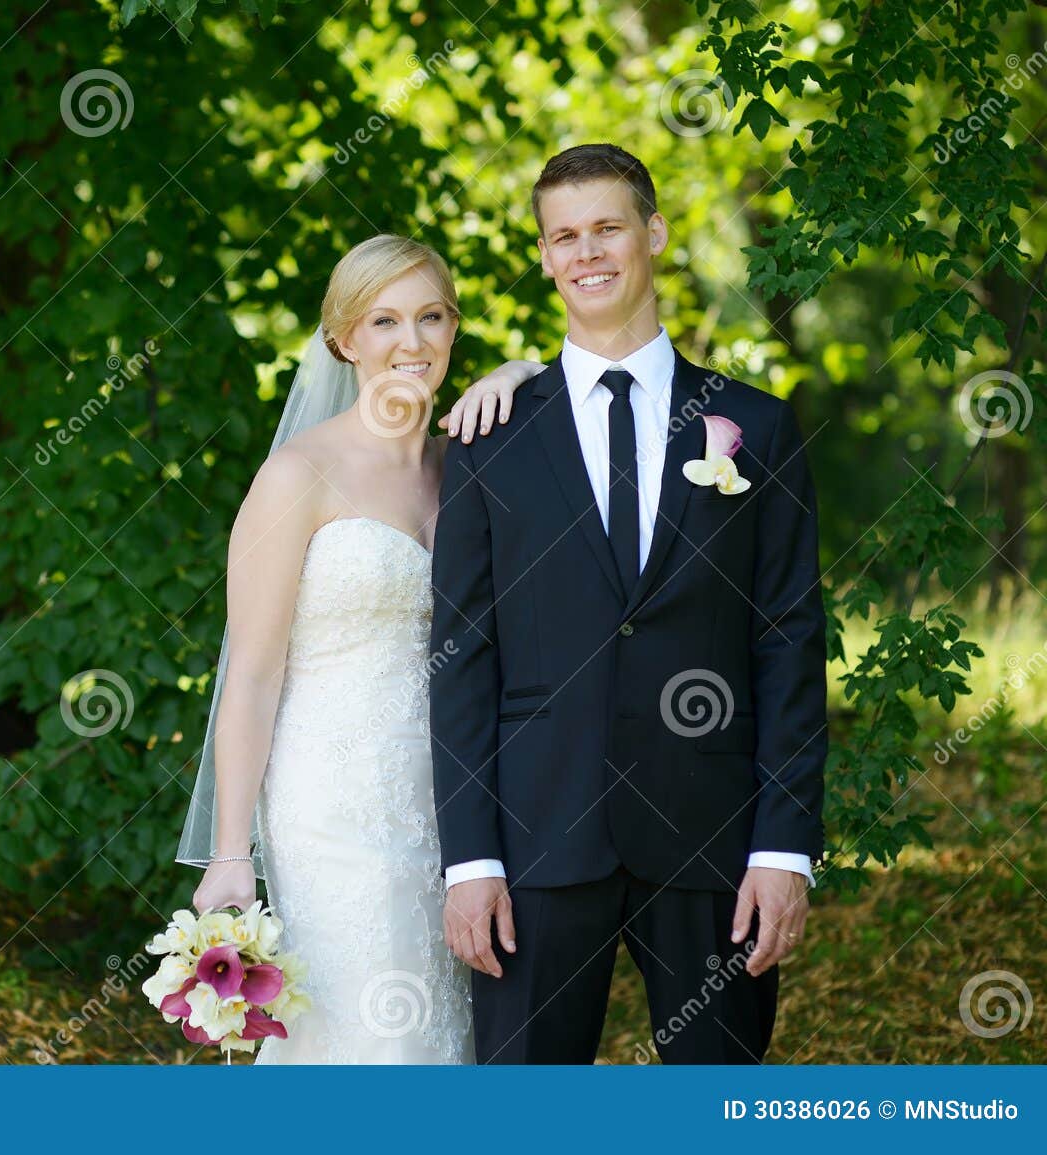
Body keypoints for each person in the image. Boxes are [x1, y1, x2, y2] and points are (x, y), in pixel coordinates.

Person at [431, 143, 826, 1064]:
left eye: (607, 226)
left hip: (713, 837)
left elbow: (789, 640)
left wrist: (784, 847)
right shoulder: (490, 438)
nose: (587, 251)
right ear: (542, 256)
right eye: (563, 236)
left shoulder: (755, 424)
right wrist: (471, 860)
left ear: (651, 232)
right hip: (535, 842)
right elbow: (460, 655)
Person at [177, 234, 542, 1062]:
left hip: (453, 797)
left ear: (454, 329)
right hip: (332, 801)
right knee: (370, 1024)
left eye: (431, 317)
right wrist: (232, 854)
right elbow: (254, 673)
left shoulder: (471, 465)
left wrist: (521, 374)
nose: (411, 343)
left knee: (446, 1024)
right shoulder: (297, 474)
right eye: (384, 321)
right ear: (344, 337)